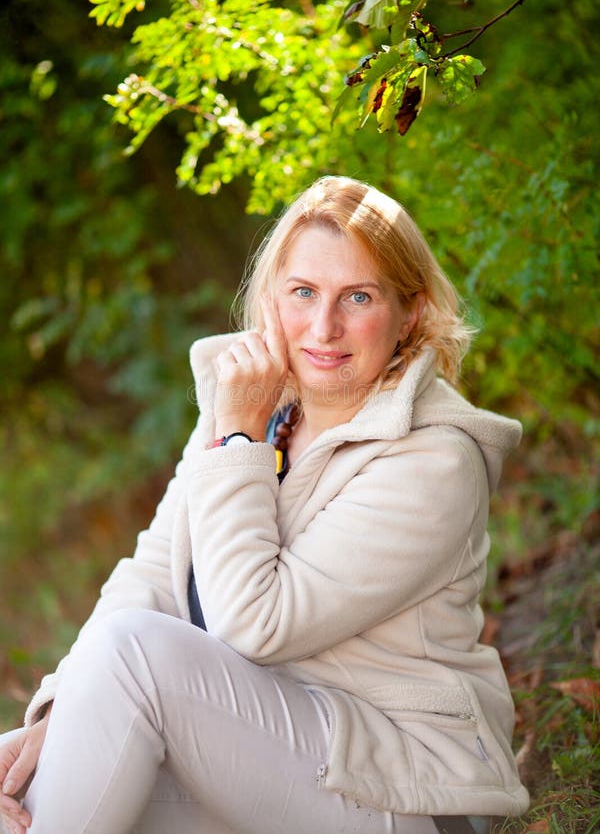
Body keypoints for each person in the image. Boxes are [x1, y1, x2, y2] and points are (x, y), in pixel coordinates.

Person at [0, 176, 529, 834]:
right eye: (303, 292)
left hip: (399, 790)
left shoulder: (434, 462)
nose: (324, 326)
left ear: (409, 312)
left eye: (357, 297)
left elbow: (255, 624)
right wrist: (57, 714)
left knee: (131, 655)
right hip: (262, 751)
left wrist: (239, 437)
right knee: (15, 787)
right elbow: (156, 571)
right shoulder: (258, 409)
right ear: (272, 298)